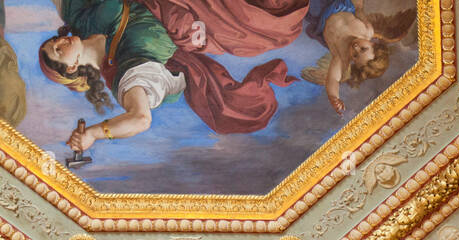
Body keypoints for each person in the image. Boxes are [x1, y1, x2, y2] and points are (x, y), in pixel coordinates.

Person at [39, 0, 310, 153]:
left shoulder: (79, 19)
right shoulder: (128, 71)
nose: (60, 43)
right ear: (72, 67)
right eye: (57, 52)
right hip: (210, 14)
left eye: (55, 42)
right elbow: (140, 119)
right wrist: (96, 134)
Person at [300, 0, 415, 115]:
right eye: (363, 49)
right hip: (339, 4)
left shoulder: (341, 56)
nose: (355, 48)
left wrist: (334, 97)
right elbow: (359, 9)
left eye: (355, 56)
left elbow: (333, 79)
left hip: (321, 15)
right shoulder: (367, 31)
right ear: (373, 44)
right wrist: (358, 4)